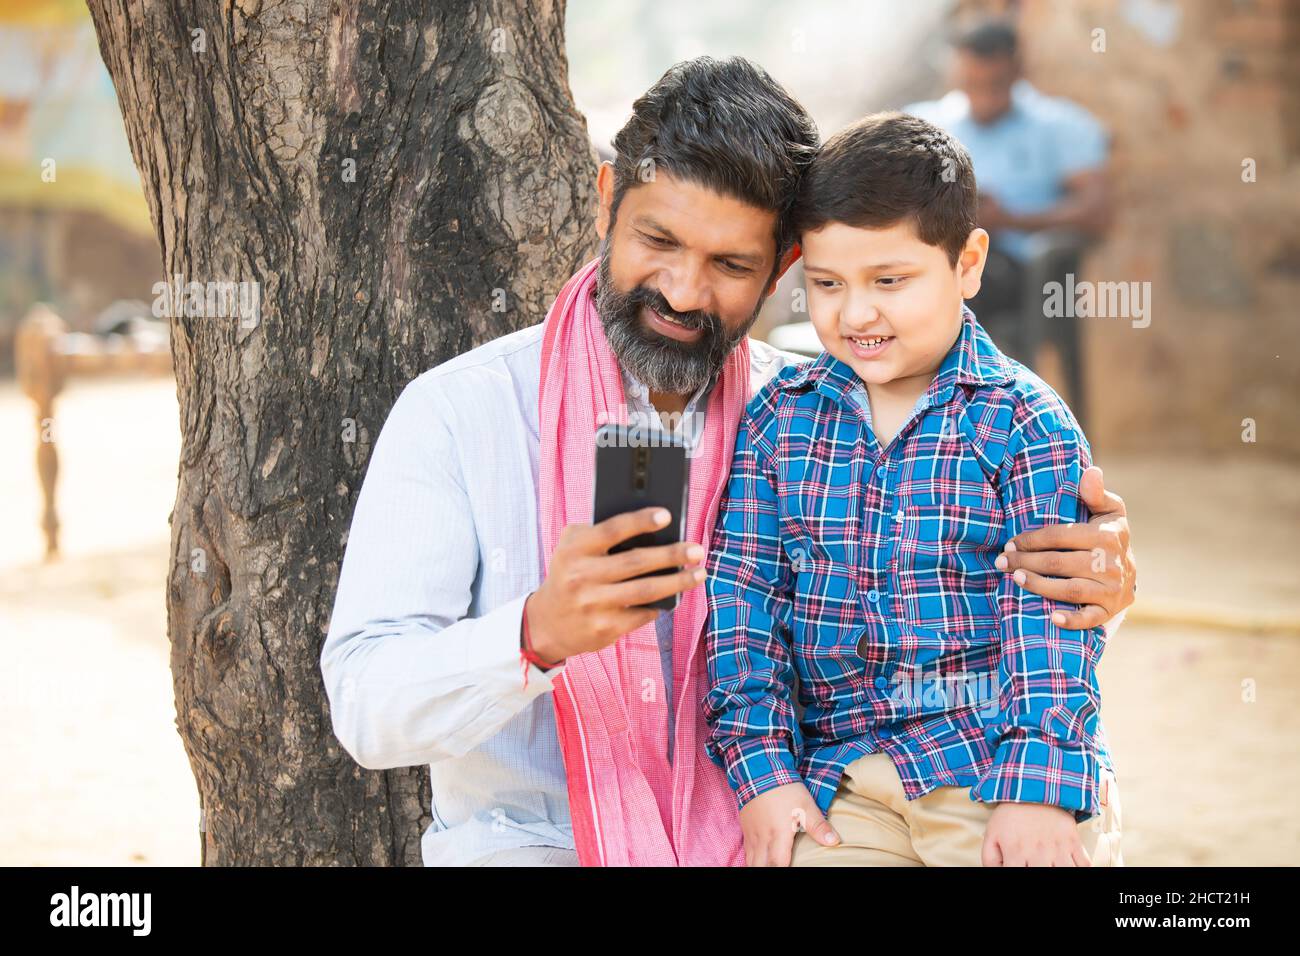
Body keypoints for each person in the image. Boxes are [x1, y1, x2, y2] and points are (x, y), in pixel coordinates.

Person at [320, 57, 1137, 868]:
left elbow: (962, 587)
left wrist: (1098, 584)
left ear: (782, 269)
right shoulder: (465, 412)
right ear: (608, 201)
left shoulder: (804, 411)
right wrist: (535, 635)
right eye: (658, 240)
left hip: (776, 832)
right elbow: (364, 707)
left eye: (731, 266)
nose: (681, 290)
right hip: (540, 846)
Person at [704, 112, 1121, 867]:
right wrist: (762, 771)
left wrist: (1038, 790)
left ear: (967, 265)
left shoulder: (1024, 424)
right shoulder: (780, 418)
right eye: (827, 284)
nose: (855, 313)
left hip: (991, 770)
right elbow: (743, 602)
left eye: (889, 281)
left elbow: (1052, 622)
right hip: (842, 786)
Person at [904, 18, 1111, 373]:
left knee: (958, 281)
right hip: (935, 253)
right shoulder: (927, 123)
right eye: (972, 84)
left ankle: (965, 401)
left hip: (1018, 269)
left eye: (994, 85)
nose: (982, 98)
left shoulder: (1057, 125)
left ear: (1017, 70)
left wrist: (1009, 220)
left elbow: (1097, 213)